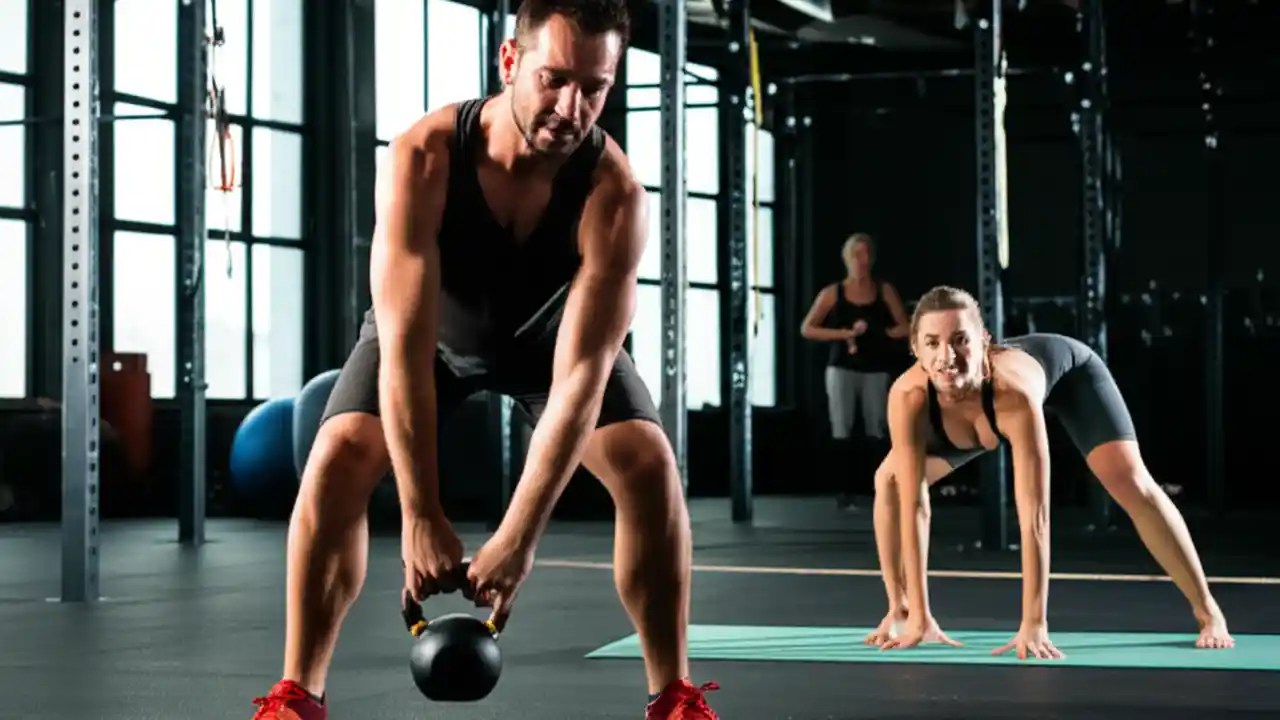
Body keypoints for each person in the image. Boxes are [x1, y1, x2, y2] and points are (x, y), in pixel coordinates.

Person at [249, 2, 720, 718]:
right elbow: (404, 348)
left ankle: (674, 695)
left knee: (649, 465)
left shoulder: (614, 194)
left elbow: (581, 380)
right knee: (339, 452)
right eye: (554, 78)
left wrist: (518, 538)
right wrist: (419, 513)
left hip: (551, 342)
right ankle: (296, 695)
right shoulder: (424, 156)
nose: (572, 107)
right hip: (433, 335)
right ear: (510, 62)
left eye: (594, 87)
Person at [866, 285, 1234, 660]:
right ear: (915, 348)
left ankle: (1208, 611)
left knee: (1131, 482)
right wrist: (920, 618)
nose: (947, 355)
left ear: (984, 342)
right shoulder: (907, 396)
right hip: (975, 411)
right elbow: (914, 504)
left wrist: (1034, 622)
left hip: (1072, 378)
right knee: (890, 481)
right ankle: (902, 608)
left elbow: (1035, 517)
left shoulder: (1014, 394)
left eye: (961, 340)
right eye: (932, 343)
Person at [800, 233, 910, 509]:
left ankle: (879, 489)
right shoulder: (833, 293)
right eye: (855, 255)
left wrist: (880, 332)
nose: (860, 261)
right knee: (842, 426)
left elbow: (905, 326)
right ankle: (844, 492)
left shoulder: (883, 290)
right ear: (846, 259)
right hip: (841, 368)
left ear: (871, 259)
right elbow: (808, 328)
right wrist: (842, 334)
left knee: (877, 426)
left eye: (864, 255)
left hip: (875, 368)